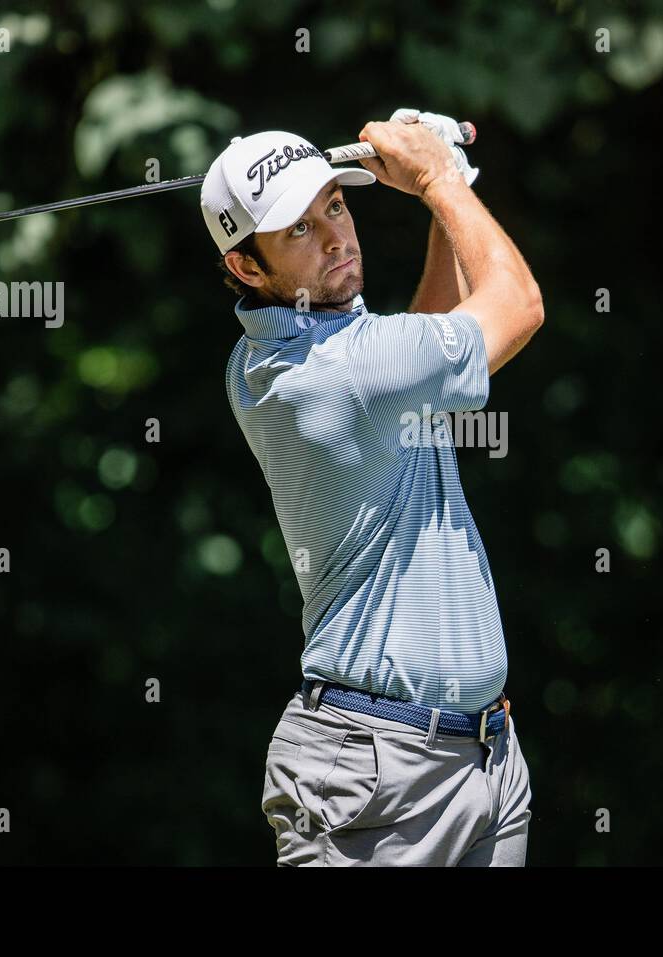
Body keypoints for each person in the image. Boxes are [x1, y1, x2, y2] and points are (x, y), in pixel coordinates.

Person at [200, 110, 544, 865]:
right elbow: (518, 306)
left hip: (479, 758)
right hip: (380, 779)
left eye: (334, 203)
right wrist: (437, 180)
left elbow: (417, 349)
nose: (335, 236)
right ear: (247, 268)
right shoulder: (345, 370)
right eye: (297, 229)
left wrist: (441, 196)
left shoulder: (268, 359)